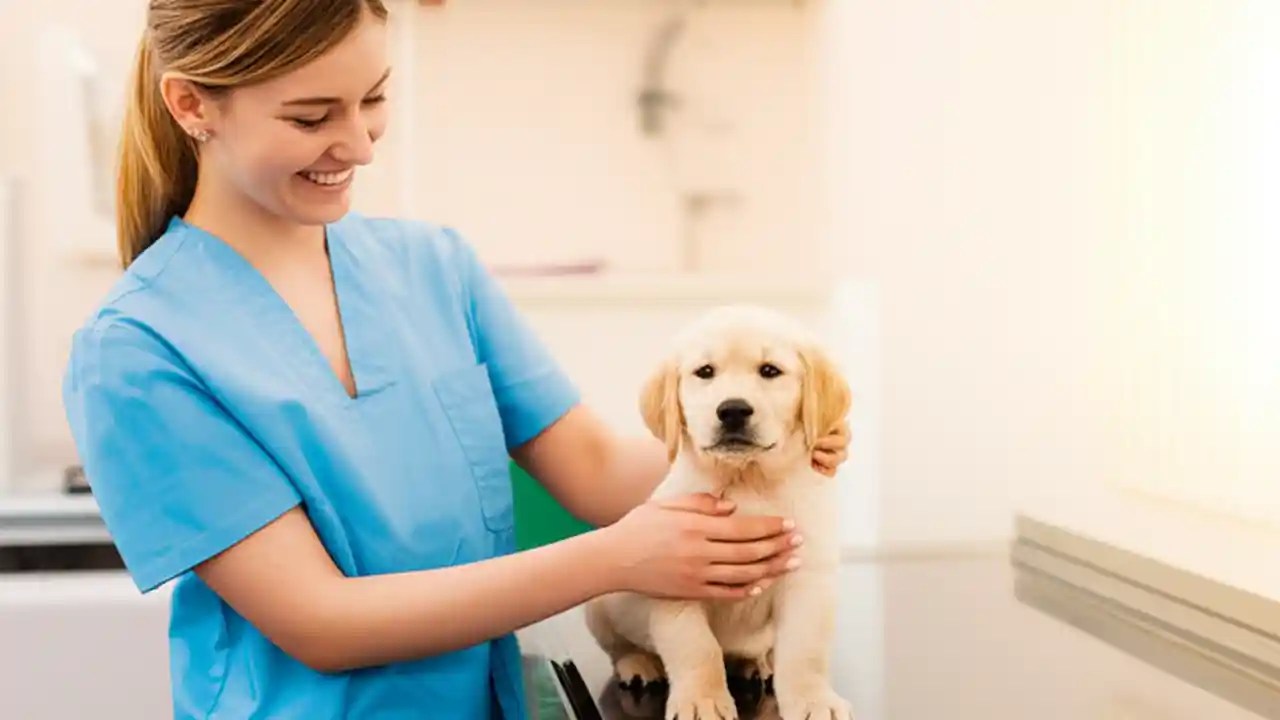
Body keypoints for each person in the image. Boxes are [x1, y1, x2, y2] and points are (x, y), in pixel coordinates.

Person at [60, 1, 852, 718]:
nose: (359, 144)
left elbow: (594, 466)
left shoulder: (432, 268)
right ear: (192, 105)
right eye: (311, 117)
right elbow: (320, 622)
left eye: (374, 99)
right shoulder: (137, 352)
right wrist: (614, 558)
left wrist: (755, 446)